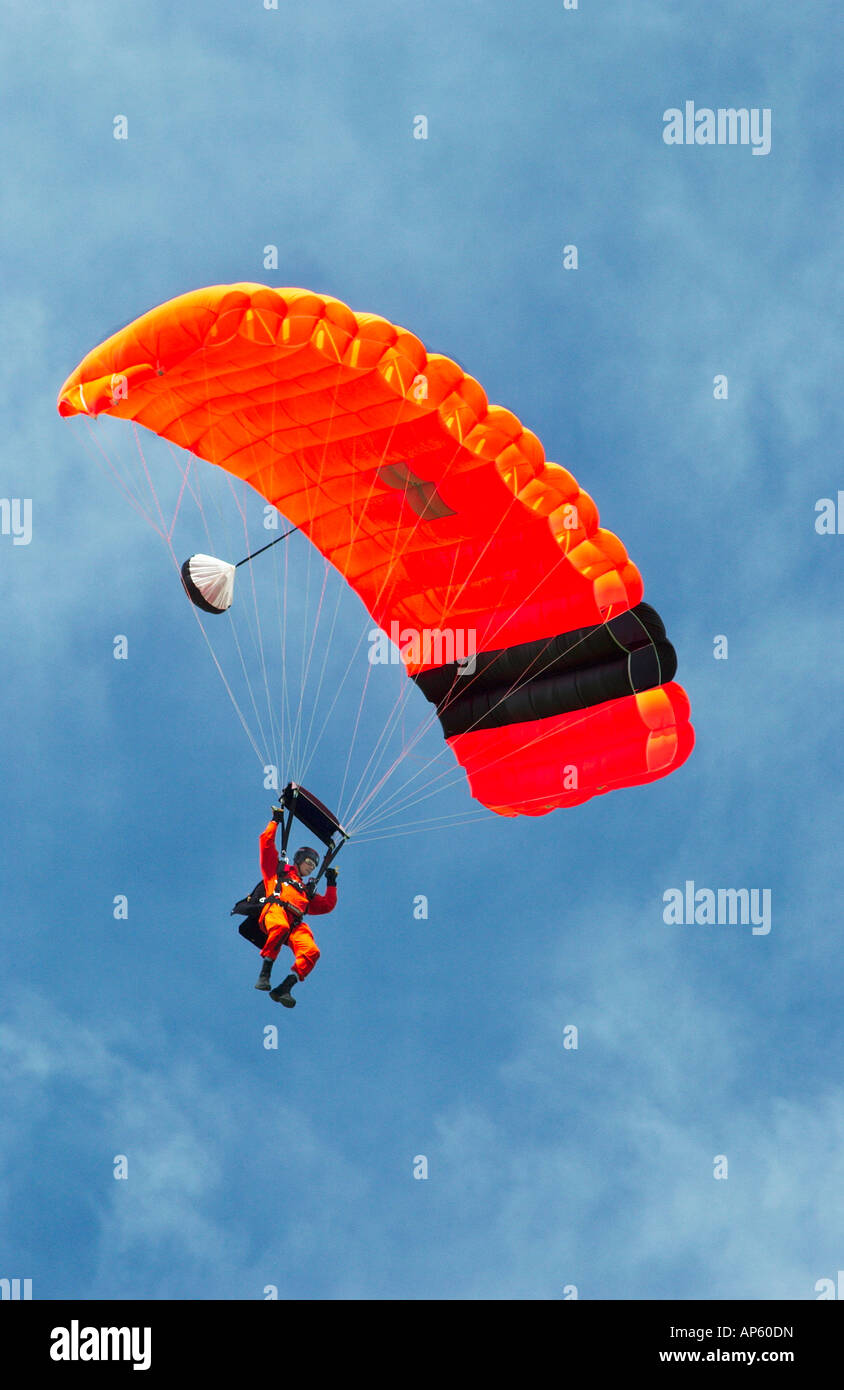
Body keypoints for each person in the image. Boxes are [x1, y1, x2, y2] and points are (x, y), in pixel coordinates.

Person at [253, 806, 338, 1006]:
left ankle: (285, 988)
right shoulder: (277, 873)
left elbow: (327, 905)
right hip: (275, 912)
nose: (311, 867)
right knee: (281, 927)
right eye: (308, 862)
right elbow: (265, 844)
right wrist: (274, 821)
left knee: (312, 951)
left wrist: (332, 883)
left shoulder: (306, 892)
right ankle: (265, 974)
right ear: (299, 860)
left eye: (314, 866)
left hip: (295, 924)